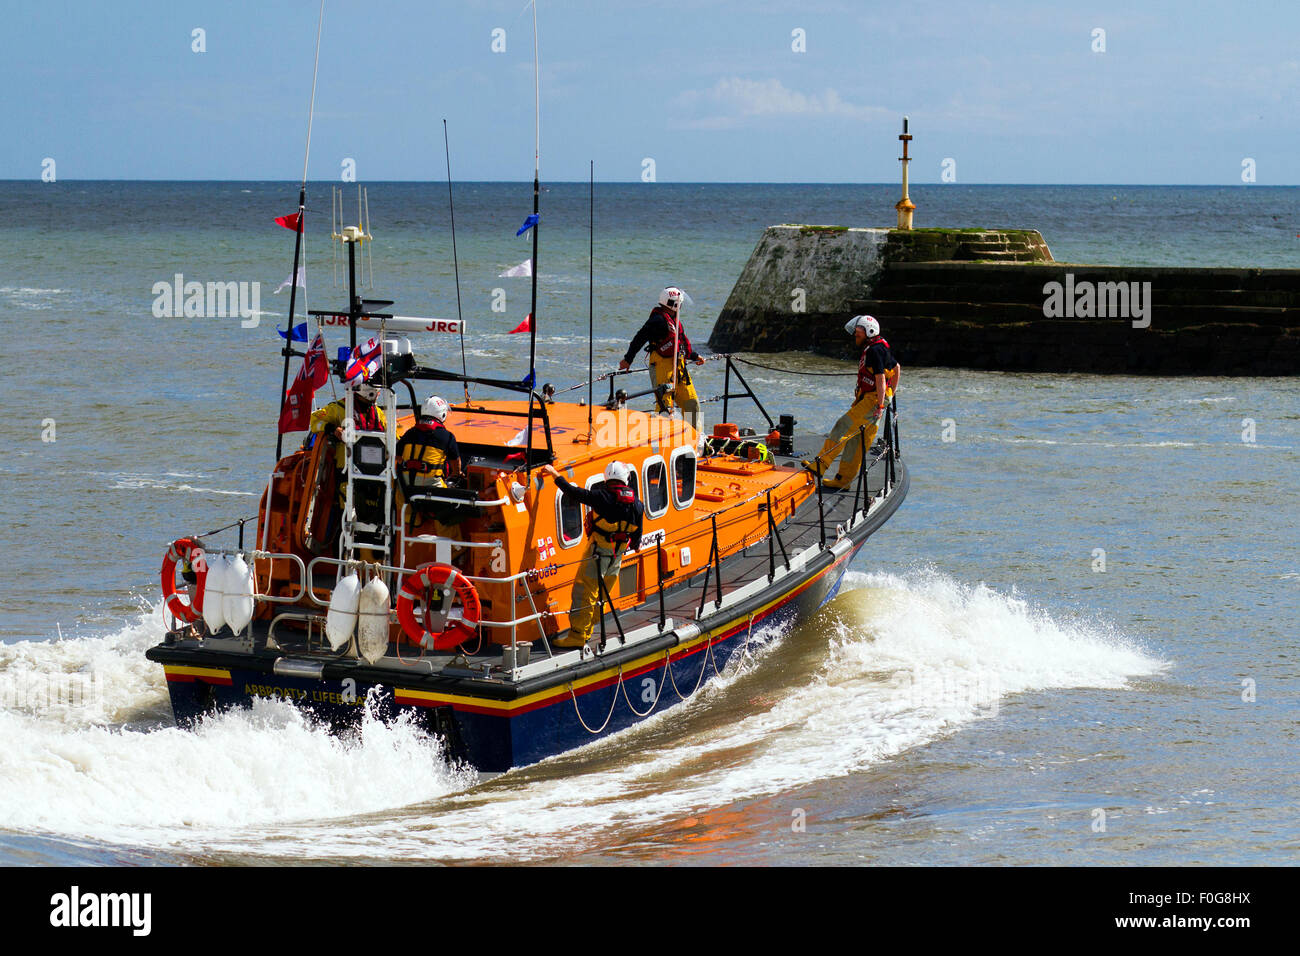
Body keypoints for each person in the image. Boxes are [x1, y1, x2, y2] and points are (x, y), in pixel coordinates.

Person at [540, 460, 644, 649]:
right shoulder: (637, 504)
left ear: (608, 478)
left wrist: (554, 473)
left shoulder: (601, 497)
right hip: (617, 557)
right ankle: (588, 629)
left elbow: (573, 493)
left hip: (597, 554)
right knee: (602, 595)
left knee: (584, 592)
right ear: (625, 480)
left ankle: (578, 635)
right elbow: (637, 536)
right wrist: (634, 545)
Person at [806, 315, 901, 489]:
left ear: (869, 332)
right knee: (857, 442)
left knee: (842, 426)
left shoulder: (873, 351)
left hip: (873, 400)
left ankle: (821, 464)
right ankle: (843, 480)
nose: (855, 336)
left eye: (858, 333)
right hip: (875, 398)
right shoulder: (880, 346)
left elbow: (880, 378)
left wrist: (880, 404)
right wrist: (890, 396)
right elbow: (896, 368)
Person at [619, 286, 705, 432]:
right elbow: (639, 338)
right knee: (664, 407)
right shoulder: (657, 320)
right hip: (661, 367)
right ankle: (661, 442)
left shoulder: (674, 320)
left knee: (692, 404)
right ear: (673, 304)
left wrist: (694, 356)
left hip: (679, 367)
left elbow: (681, 342)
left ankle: (696, 438)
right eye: (680, 304)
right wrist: (628, 359)